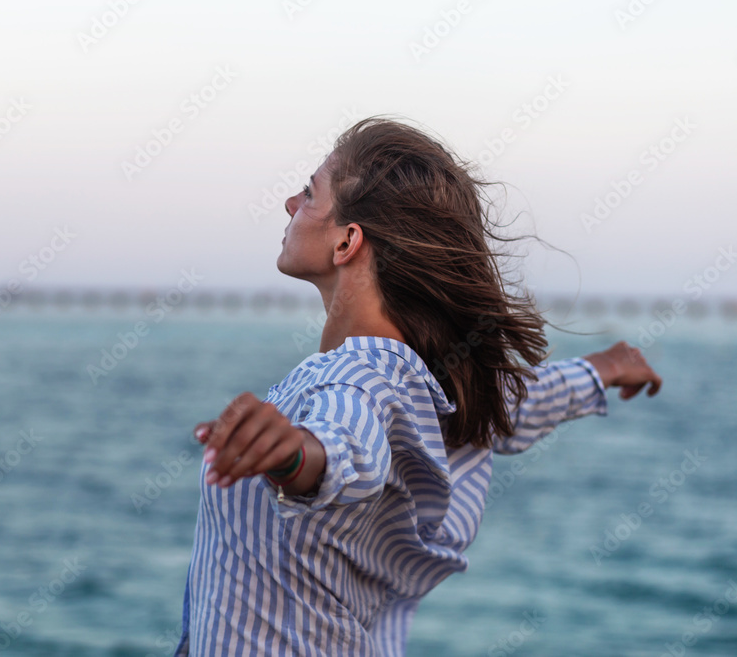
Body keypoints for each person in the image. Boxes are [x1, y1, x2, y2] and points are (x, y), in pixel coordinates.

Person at [172, 117, 662, 656]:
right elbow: (506, 408)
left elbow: (345, 444)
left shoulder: (357, 376)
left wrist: (294, 457)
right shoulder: (429, 379)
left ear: (346, 241)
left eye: (309, 193)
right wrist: (601, 369)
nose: (290, 203)